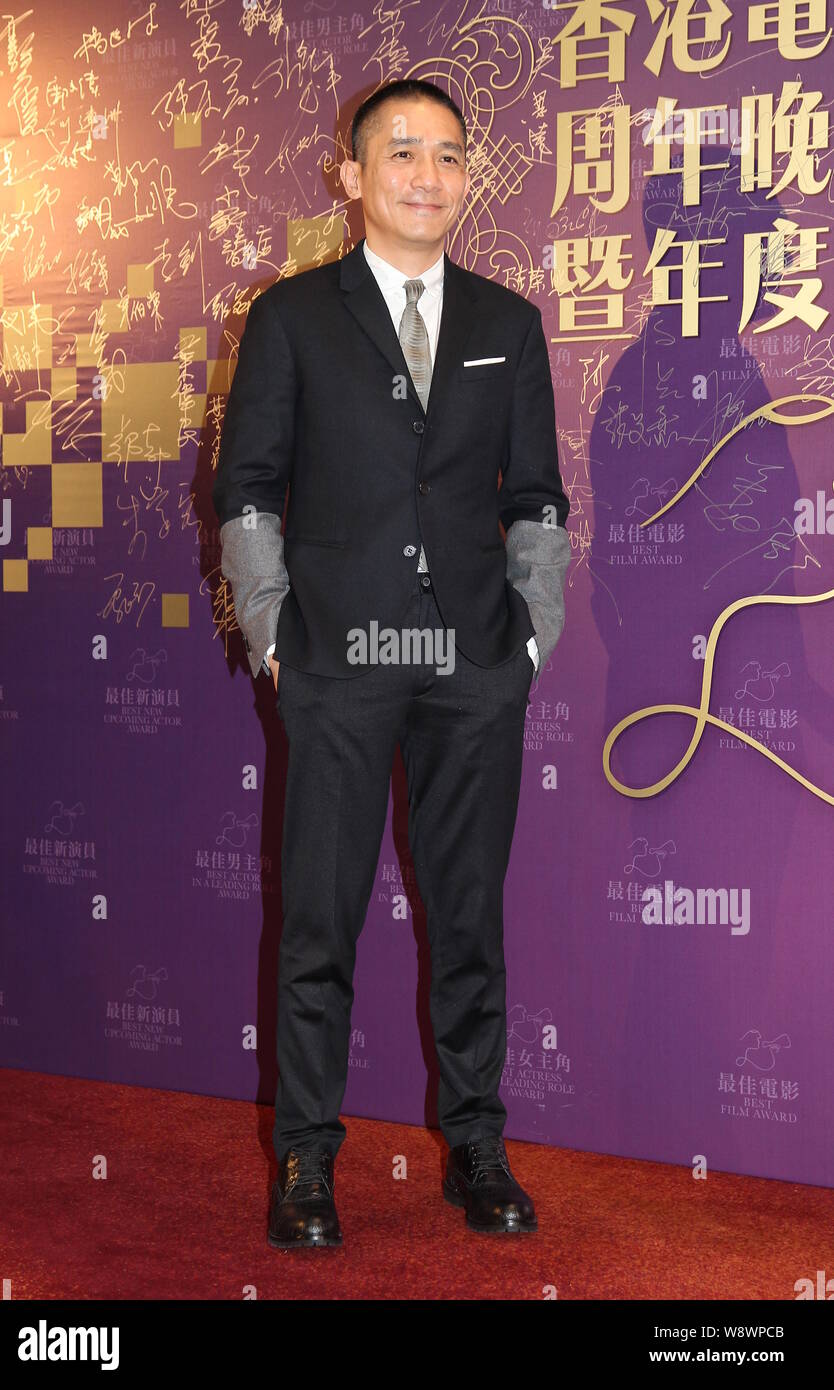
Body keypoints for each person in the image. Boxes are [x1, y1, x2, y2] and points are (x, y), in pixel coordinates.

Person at [212, 77, 571, 1249]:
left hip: (472, 666)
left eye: (449, 157)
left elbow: (537, 499)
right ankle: (306, 1161)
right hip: (340, 660)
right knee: (319, 920)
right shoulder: (291, 316)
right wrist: (275, 640)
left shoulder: (507, 324)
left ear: (469, 179)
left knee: (466, 916)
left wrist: (527, 638)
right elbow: (248, 491)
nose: (427, 175)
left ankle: (474, 1141)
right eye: (401, 153)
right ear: (352, 176)